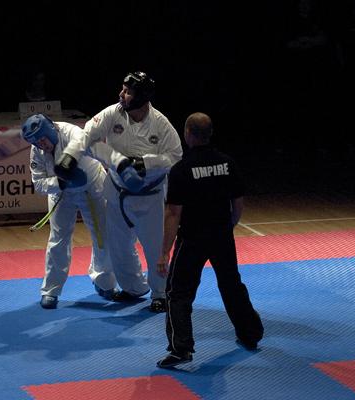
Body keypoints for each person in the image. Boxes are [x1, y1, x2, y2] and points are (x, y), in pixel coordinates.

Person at [54, 71, 183, 313]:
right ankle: (133, 288)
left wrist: (146, 163)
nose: (121, 94)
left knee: (155, 247)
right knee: (119, 247)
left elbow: (176, 157)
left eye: (128, 91)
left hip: (149, 197)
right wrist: (70, 155)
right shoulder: (112, 113)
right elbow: (87, 135)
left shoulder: (161, 124)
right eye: (123, 89)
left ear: (142, 97)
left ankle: (160, 293)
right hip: (116, 192)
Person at [156, 112, 264, 368]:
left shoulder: (181, 170)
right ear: (210, 134)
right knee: (231, 284)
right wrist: (229, 225)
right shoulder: (227, 163)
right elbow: (237, 202)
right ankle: (250, 333)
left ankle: (181, 348)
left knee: (178, 292)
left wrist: (164, 252)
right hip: (221, 235)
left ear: (187, 134)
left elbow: (173, 213)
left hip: (192, 238)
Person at [21, 113, 118, 309]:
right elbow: (39, 184)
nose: (41, 144)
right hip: (61, 191)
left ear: (51, 130)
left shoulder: (74, 134)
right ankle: (50, 290)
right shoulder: (37, 150)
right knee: (58, 238)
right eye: (36, 142)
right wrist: (61, 182)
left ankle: (104, 282)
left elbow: (96, 154)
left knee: (102, 235)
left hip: (91, 187)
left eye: (42, 139)